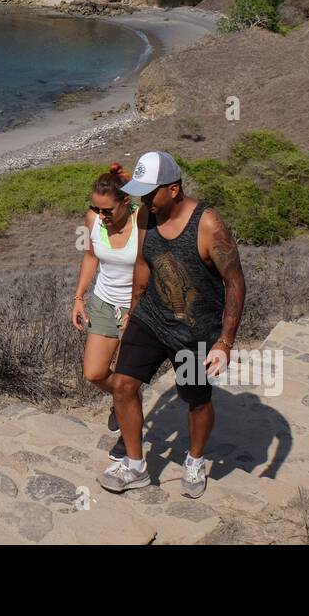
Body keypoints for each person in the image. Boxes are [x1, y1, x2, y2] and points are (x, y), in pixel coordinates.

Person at [97, 151, 246, 499]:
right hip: (151, 317)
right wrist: (132, 313)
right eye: (140, 193)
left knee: (195, 400)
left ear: (174, 189)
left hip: (195, 331)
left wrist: (224, 342)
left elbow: (235, 283)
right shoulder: (147, 215)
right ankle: (135, 465)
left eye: (150, 193)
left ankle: (195, 458)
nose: (143, 201)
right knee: (122, 384)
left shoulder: (209, 225)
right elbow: (143, 265)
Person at [70, 164, 141, 442]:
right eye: (96, 208)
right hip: (103, 302)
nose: (102, 216)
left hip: (134, 309)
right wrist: (79, 297)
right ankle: (124, 398)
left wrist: (137, 308)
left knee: (125, 377)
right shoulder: (94, 220)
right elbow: (90, 256)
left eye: (107, 210)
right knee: (94, 372)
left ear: (126, 202)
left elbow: (152, 266)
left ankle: (128, 434)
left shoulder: (142, 220)